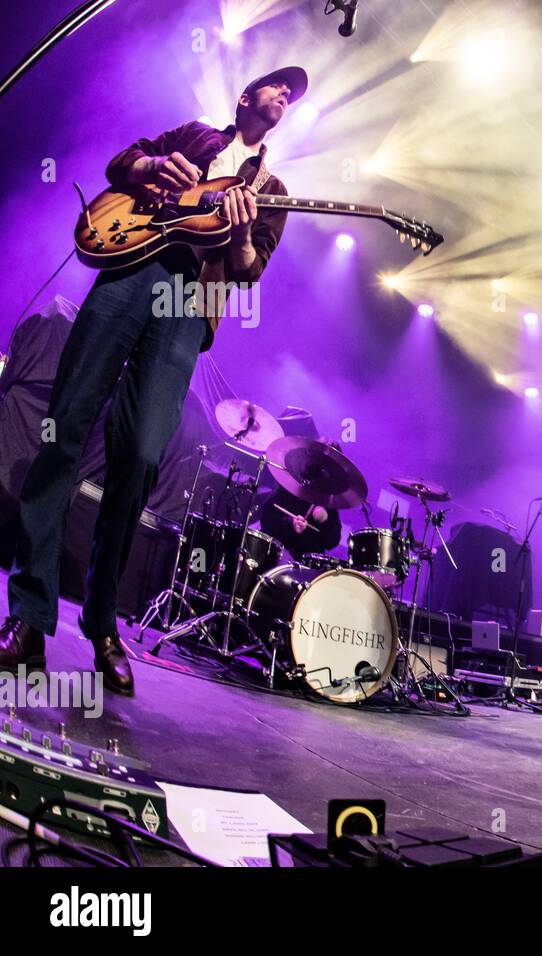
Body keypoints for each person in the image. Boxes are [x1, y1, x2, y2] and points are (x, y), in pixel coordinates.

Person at [0, 67, 304, 695]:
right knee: (66, 428)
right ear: (246, 96)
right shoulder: (194, 135)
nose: (286, 96)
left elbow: (247, 274)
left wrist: (243, 231)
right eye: (278, 85)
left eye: (294, 96)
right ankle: (28, 617)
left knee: (139, 453)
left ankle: (102, 621)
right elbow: (121, 162)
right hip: (130, 269)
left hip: (188, 304)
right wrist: (151, 167)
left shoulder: (272, 189)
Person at [258, 486, 341, 561]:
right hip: (278, 554)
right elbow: (266, 520)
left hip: (309, 564)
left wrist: (326, 520)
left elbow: (332, 543)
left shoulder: (327, 502)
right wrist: (290, 523)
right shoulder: (288, 487)